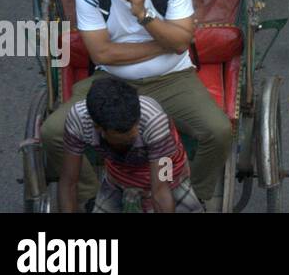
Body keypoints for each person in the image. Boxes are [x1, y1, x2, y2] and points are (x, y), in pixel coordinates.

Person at [41, 0, 233, 211]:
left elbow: (180, 44)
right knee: (52, 131)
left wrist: (143, 14)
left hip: (172, 79)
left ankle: (197, 193)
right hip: (111, 81)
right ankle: (92, 193)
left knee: (219, 132)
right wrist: (163, 45)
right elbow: (102, 53)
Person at [59, 77, 202, 213]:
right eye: (124, 136)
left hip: (170, 175)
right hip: (119, 176)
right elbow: (69, 182)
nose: (134, 134)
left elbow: (160, 190)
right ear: (98, 128)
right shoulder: (78, 120)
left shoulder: (154, 120)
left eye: (135, 125)